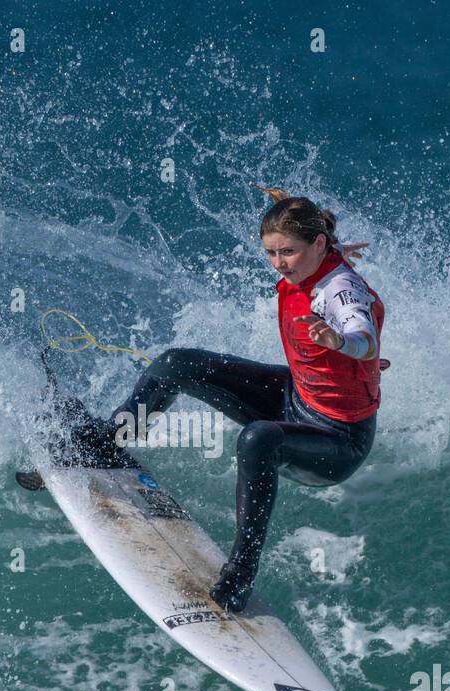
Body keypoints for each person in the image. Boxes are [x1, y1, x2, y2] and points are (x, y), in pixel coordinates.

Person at [92, 187, 387, 612]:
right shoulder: (312, 258)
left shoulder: (342, 290)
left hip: (337, 441)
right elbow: (312, 245)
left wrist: (340, 340)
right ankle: (109, 443)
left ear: (317, 245)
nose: (278, 264)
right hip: (296, 397)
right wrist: (298, 216)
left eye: (287, 252)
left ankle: (242, 570)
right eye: (270, 252)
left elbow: (365, 339)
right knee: (176, 363)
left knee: (257, 439)